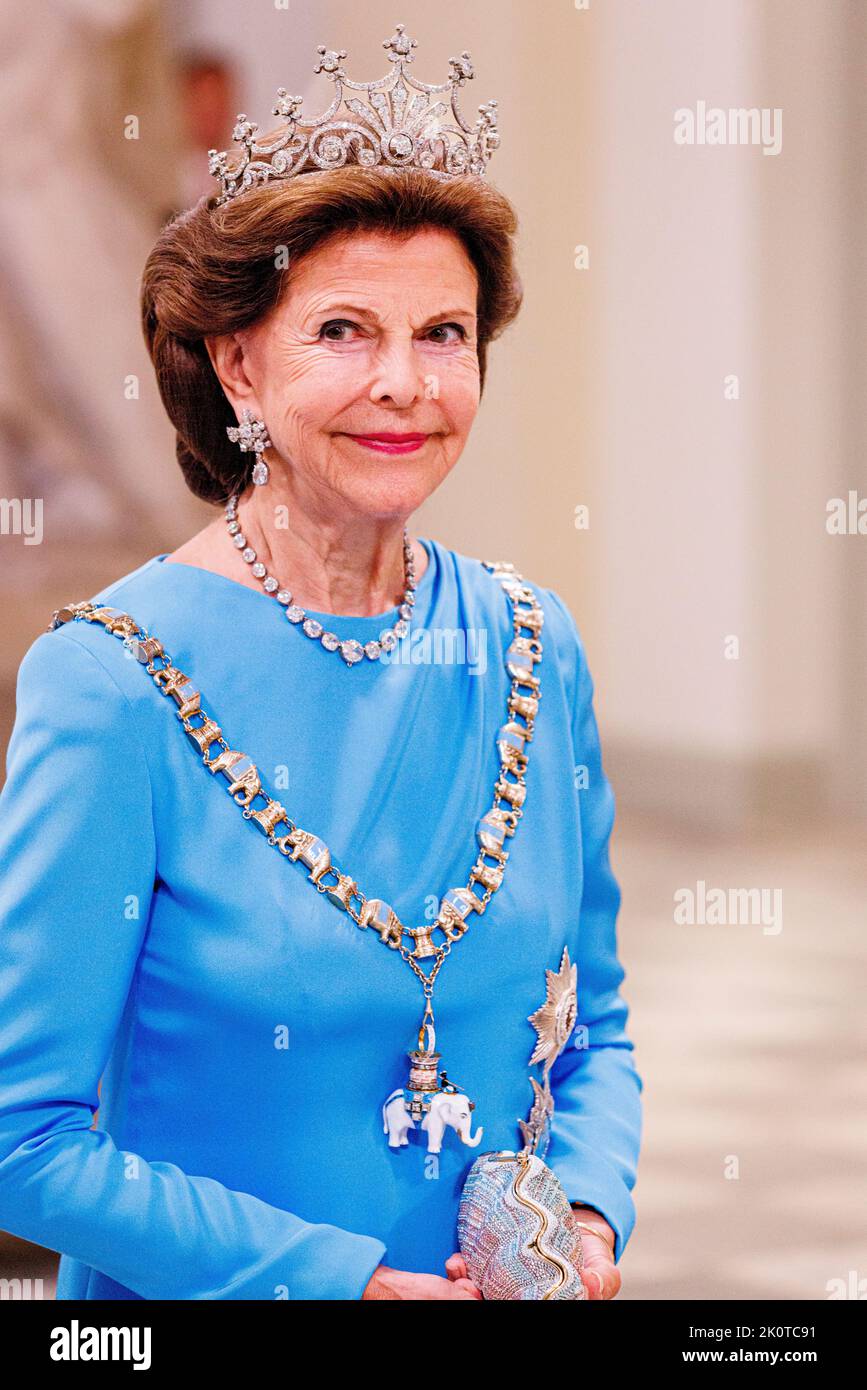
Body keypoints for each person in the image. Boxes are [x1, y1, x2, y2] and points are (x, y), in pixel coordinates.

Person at [0, 24, 642, 1300]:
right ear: (238, 361)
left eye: (444, 334)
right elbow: (26, 1145)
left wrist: (582, 1215)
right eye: (343, 330)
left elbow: (596, 1030)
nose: (404, 384)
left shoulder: (531, 644)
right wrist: (332, 1282)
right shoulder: (110, 680)